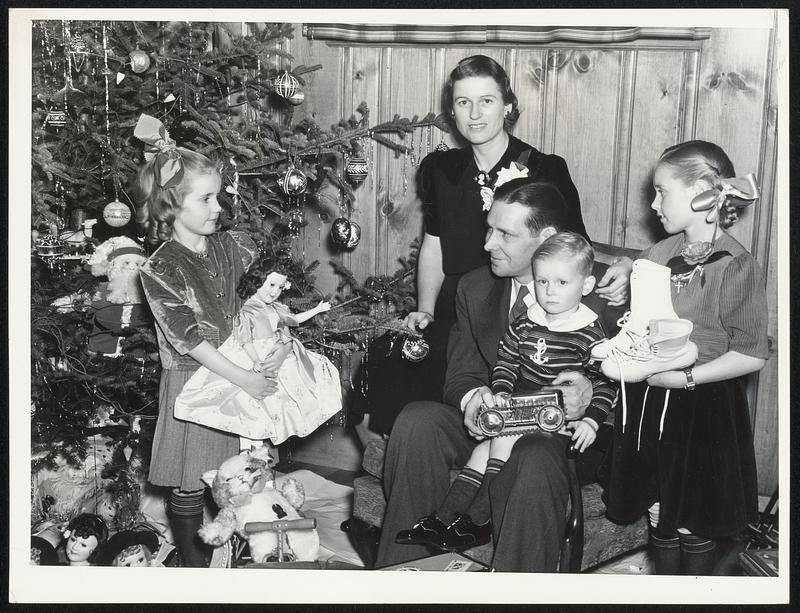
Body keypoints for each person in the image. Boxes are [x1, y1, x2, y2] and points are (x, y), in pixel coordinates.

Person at [359, 54, 628, 438]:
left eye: (486, 100)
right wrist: (425, 310)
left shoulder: (545, 168)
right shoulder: (439, 170)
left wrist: (625, 263)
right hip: (460, 306)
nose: (474, 114)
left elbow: (574, 246)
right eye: (463, 102)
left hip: (520, 308)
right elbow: (433, 245)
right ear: (451, 110)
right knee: (395, 351)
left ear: (508, 105)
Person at [375, 179, 625, 571]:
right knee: (417, 421)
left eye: (505, 233)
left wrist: (592, 390)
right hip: (497, 417)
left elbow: (648, 375)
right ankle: (403, 571)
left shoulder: (600, 288)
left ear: (546, 238)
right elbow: (462, 373)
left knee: (533, 455)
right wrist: (474, 399)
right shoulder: (474, 288)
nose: (488, 243)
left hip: (564, 437)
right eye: (490, 228)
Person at [598, 140, 768, 576]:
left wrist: (687, 380)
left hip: (703, 409)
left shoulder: (736, 265)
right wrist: (621, 270)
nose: (653, 204)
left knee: (694, 520)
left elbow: (751, 354)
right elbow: (643, 289)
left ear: (704, 193)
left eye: (661, 192)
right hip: (653, 404)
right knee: (659, 512)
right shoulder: (659, 254)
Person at [134, 114, 277, 567]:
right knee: (190, 482)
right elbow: (189, 340)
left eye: (219, 196)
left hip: (235, 373)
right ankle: (197, 571)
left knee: (237, 475)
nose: (218, 207)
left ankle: (236, 555)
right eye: (207, 198)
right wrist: (245, 380)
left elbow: (253, 244)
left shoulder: (227, 245)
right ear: (171, 206)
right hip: (192, 384)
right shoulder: (159, 269)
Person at [174, 256, 342, 446]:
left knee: (284, 396)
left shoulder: (276, 307)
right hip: (253, 356)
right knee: (249, 405)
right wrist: (255, 360)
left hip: (275, 353)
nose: (274, 292)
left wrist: (317, 310)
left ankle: (260, 445)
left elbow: (294, 319)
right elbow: (245, 339)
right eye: (270, 284)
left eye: (279, 287)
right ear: (257, 281)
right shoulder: (248, 310)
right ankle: (250, 449)